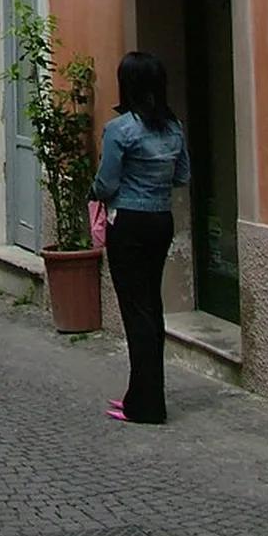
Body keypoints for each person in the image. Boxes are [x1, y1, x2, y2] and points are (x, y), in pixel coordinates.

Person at [89, 50, 190, 425]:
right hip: (160, 220)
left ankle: (144, 404)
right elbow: (182, 176)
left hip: (128, 222)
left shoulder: (121, 129)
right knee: (151, 307)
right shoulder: (174, 127)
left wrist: (96, 192)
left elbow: (106, 182)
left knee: (136, 311)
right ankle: (145, 396)